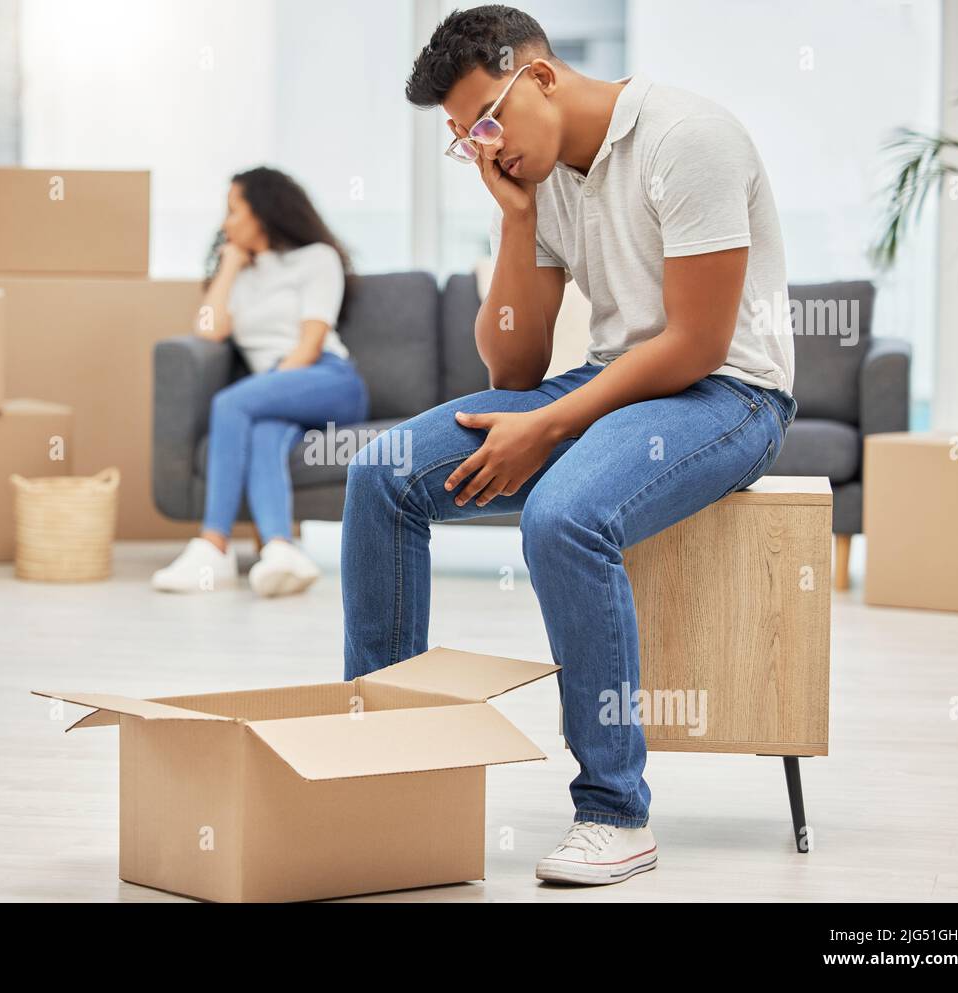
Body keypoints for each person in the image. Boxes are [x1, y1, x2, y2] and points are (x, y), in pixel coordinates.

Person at [341, 5, 798, 885]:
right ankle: (383, 764)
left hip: (730, 393)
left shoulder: (688, 137)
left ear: (541, 77)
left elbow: (698, 344)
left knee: (564, 513)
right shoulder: (539, 174)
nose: (483, 147)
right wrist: (515, 221)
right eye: (462, 138)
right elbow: (514, 364)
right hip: (610, 381)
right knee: (383, 471)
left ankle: (614, 811)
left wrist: (552, 426)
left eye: (486, 122)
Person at [153, 167, 369, 596]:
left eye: (233, 210)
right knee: (266, 434)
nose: (225, 223)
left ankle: (213, 546)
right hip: (276, 394)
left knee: (232, 404)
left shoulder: (316, 258)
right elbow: (209, 330)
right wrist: (230, 265)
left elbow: (309, 344)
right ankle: (280, 551)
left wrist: (264, 389)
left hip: (328, 378)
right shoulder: (242, 277)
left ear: (264, 211)